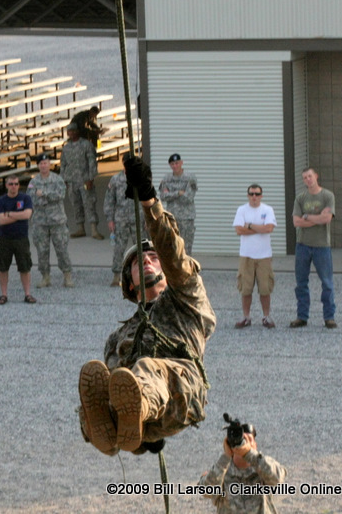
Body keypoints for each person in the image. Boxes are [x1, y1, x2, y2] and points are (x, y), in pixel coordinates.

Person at [77, 154, 215, 456]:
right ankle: (110, 429)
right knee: (104, 376)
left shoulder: (186, 298)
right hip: (143, 420)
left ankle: (141, 409)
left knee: (146, 368)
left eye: (154, 258)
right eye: (139, 262)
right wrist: (142, 437)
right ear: (129, 283)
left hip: (183, 392)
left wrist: (150, 201)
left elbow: (173, 254)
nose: (149, 262)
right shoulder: (119, 337)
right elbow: (117, 382)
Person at [198, 421, 287, 514]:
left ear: (255, 446)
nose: (244, 443)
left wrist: (249, 453)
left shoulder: (263, 466)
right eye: (242, 439)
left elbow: (277, 478)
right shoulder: (222, 471)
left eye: (249, 439)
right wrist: (226, 456)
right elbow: (205, 491)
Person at [289, 168, 337, 329]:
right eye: (305, 178)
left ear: (316, 176)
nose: (308, 179)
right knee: (301, 283)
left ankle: (329, 317)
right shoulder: (300, 198)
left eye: (310, 176)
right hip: (302, 245)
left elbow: (327, 219)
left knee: (327, 283)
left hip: (322, 246)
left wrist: (307, 216)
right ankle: (302, 316)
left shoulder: (327, 196)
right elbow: (296, 222)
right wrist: (318, 219)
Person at [232, 184, 277, 329]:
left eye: (257, 194)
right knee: (246, 288)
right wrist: (260, 228)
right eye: (251, 194)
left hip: (264, 255)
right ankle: (246, 317)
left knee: (265, 288)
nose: (254, 197)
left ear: (261, 196)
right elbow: (239, 230)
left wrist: (250, 225)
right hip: (246, 255)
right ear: (248, 195)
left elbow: (269, 228)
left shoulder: (267, 209)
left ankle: (266, 316)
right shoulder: (242, 210)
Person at [27, 153, 74, 288]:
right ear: (38, 166)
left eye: (46, 163)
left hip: (57, 221)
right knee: (42, 251)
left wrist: (44, 194)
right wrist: (48, 197)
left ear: (50, 164)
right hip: (40, 222)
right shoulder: (33, 182)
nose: (43, 165)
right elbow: (31, 199)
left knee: (62, 250)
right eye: (41, 163)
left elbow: (60, 195)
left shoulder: (58, 179)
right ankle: (45, 277)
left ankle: (67, 276)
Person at [0, 175, 36, 305]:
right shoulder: (0, 201)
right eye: (11, 184)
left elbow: (27, 215)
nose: (14, 187)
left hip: (21, 238)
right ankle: (4, 294)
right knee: (3, 267)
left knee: (25, 267)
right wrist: (19, 215)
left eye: (16, 184)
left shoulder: (25, 198)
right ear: (6, 185)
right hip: (5, 239)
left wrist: (10, 213)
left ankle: (27, 294)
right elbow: (0, 220)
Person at [104, 162, 145, 286]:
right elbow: (109, 201)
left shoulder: (141, 178)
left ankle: (142, 275)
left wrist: (148, 219)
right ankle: (117, 276)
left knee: (141, 248)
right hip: (121, 219)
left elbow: (147, 199)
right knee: (119, 248)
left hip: (137, 218)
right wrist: (110, 219)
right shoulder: (116, 180)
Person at [59, 122, 103, 239]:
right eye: (69, 131)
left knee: (89, 203)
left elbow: (92, 162)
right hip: (72, 181)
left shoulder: (86, 145)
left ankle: (94, 229)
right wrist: (63, 179)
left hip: (84, 180)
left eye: (73, 131)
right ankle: (80, 228)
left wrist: (90, 178)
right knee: (76, 204)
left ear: (77, 131)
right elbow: (63, 164)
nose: (71, 133)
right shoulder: (66, 147)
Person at [159, 153, 197, 253]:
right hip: (171, 218)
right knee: (172, 247)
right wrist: (179, 193)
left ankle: (186, 268)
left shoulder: (190, 178)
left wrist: (170, 194)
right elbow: (163, 196)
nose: (175, 166)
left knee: (186, 247)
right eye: (172, 164)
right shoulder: (167, 178)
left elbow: (188, 197)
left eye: (177, 163)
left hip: (186, 218)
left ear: (181, 163)